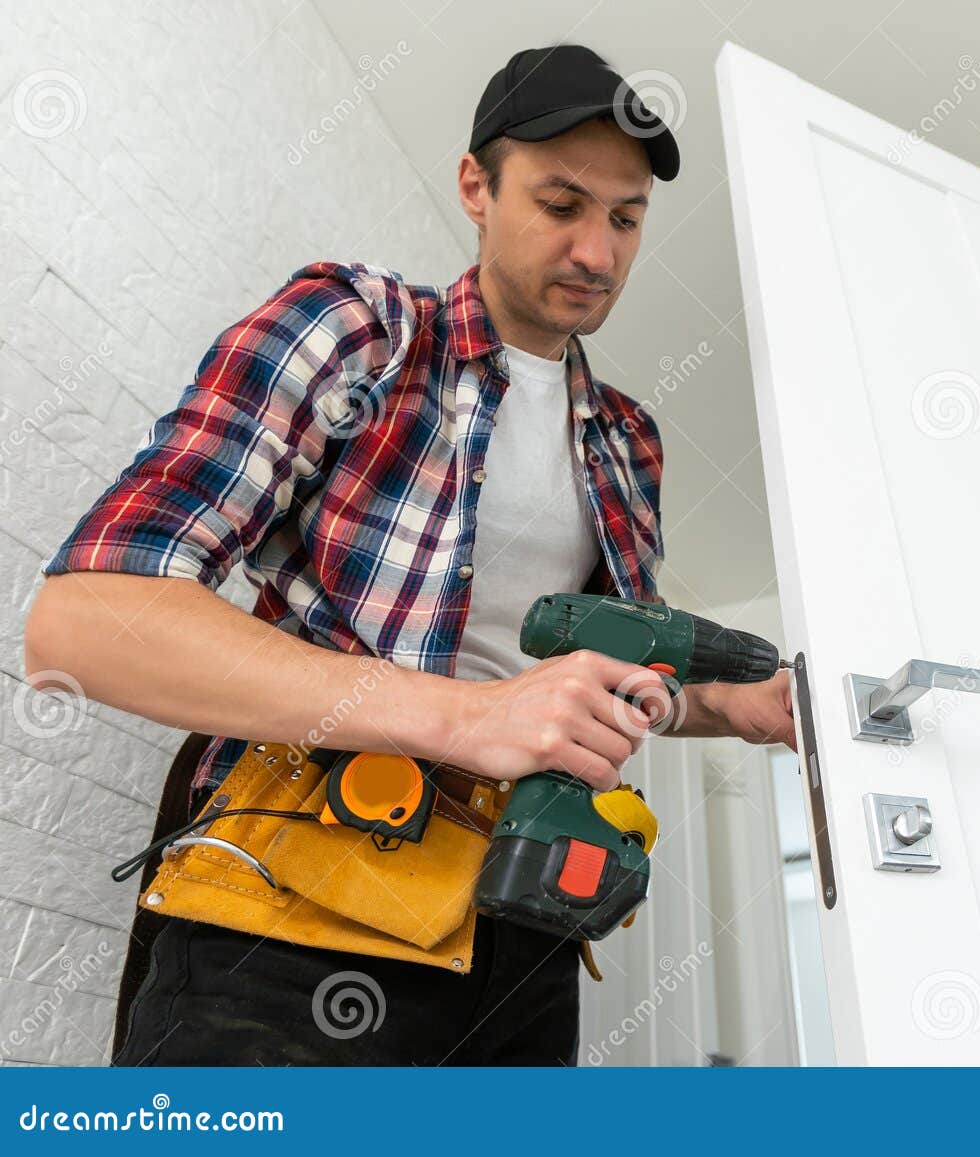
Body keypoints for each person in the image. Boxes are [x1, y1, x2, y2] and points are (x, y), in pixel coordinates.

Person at [23, 44, 795, 1067]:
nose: (597, 252)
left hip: (528, 912)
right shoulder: (363, 332)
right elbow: (86, 621)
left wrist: (734, 706)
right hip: (303, 890)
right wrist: (471, 716)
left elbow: (606, 683)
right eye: (561, 203)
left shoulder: (627, 439)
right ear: (476, 185)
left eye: (625, 218)